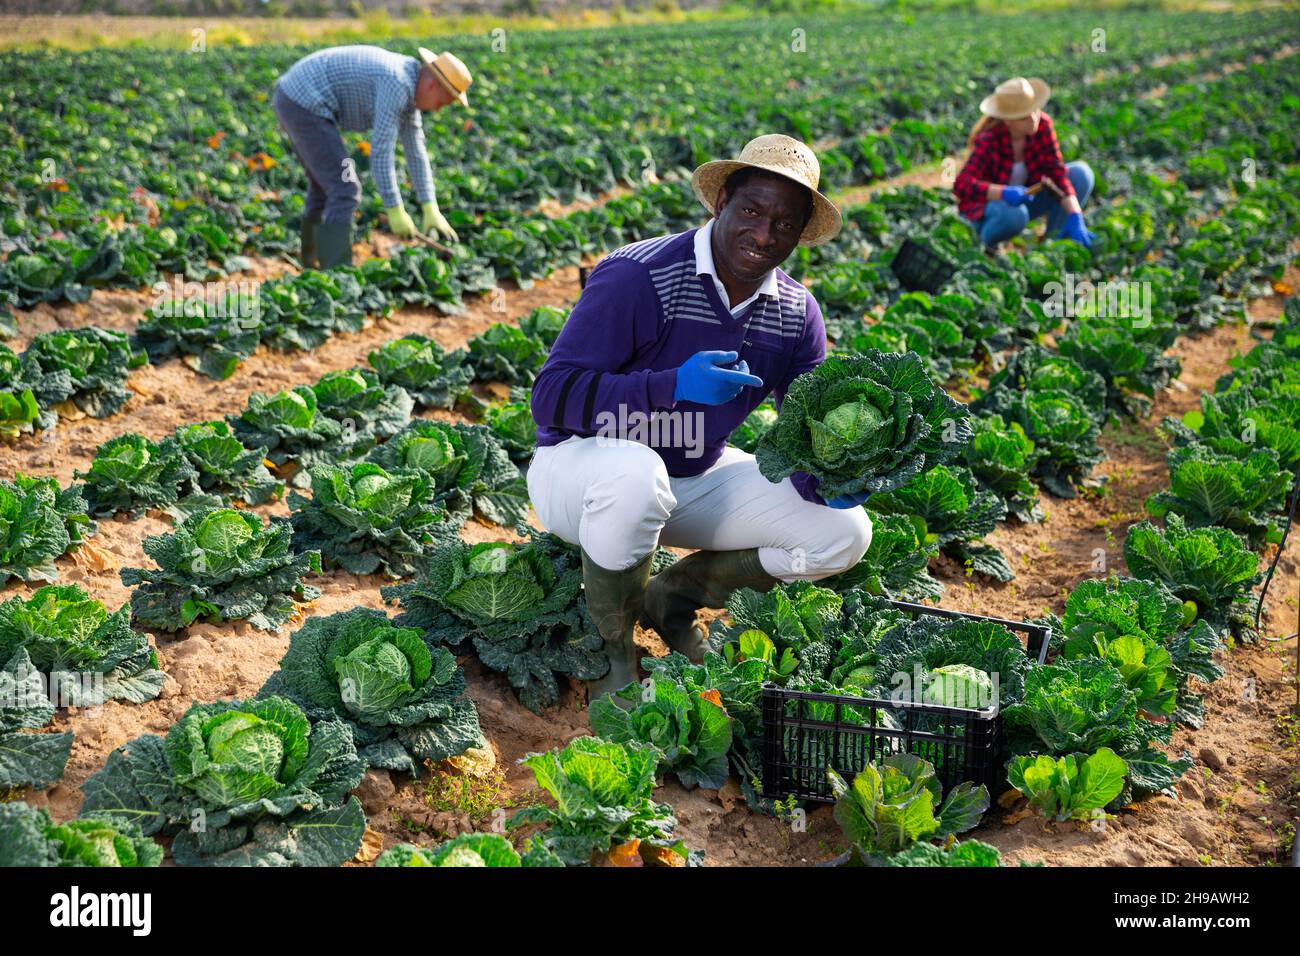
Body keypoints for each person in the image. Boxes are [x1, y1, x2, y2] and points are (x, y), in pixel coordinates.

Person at [527, 134, 874, 701]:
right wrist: (671, 386)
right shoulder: (637, 277)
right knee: (635, 474)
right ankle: (614, 650)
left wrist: (832, 478)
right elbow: (552, 398)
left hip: (693, 475)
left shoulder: (795, 313)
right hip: (582, 473)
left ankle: (674, 597)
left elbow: (802, 430)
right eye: (752, 211)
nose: (764, 235)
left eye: (783, 225)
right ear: (722, 205)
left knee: (844, 532)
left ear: (800, 234)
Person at [272, 45, 472, 269]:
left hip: (297, 97)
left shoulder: (410, 88)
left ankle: (311, 262)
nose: (437, 110)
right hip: (302, 102)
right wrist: (395, 208)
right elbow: (380, 152)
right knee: (344, 188)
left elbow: (416, 151)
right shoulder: (397, 83)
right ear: (432, 85)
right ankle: (335, 271)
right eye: (442, 102)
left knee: (324, 186)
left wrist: (430, 207)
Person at [953, 76, 1095, 251]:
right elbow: (962, 185)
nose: (1033, 118)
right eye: (1025, 116)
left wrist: (1075, 214)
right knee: (1014, 216)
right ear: (1008, 120)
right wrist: (1003, 193)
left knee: (1081, 174)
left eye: (1035, 110)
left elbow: (1056, 171)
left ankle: (1055, 243)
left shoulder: (1042, 126)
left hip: (1028, 199)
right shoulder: (988, 140)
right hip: (993, 210)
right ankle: (984, 247)